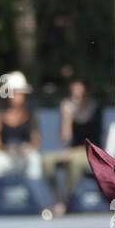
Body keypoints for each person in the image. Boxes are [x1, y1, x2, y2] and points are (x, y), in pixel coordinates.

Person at [42, 78, 104, 212]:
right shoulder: (69, 110)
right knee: (47, 160)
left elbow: (94, 142)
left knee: (74, 161)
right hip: (71, 151)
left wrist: (71, 152)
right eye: (74, 95)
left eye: (80, 95)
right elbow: (64, 140)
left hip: (90, 153)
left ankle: (66, 200)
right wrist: (67, 118)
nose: (77, 99)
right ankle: (56, 197)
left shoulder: (95, 109)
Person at [0, 71, 43, 180]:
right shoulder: (0, 116)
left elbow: (36, 141)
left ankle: (34, 188)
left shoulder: (31, 116)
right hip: (5, 156)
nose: (17, 96)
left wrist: (26, 148)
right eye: (14, 93)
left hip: (25, 156)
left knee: (34, 159)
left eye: (20, 93)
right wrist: (6, 148)